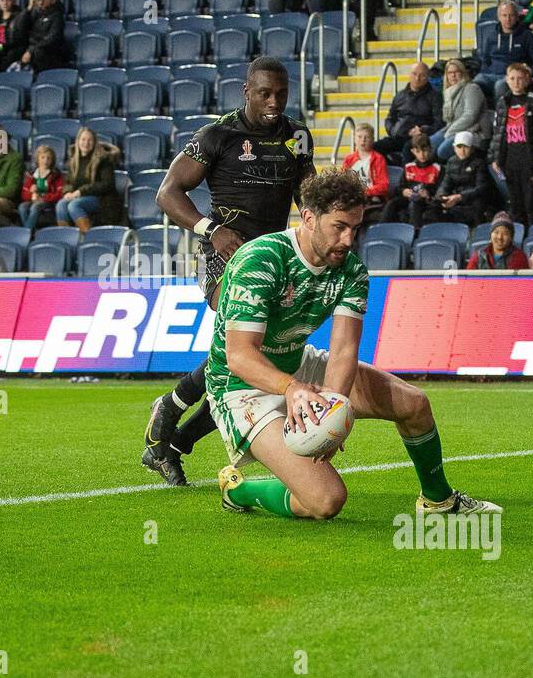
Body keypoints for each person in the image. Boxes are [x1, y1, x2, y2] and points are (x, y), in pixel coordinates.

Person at [212, 168, 501, 520]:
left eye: (356, 228)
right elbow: (239, 356)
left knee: (413, 404)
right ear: (308, 217)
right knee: (325, 501)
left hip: (297, 366)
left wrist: (331, 413)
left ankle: (438, 501)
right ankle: (239, 489)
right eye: (339, 227)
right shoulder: (262, 260)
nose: (349, 240)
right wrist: (292, 389)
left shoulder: (351, 271)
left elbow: (345, 350)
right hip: (240, 388)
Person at [145, 57, 315, 487]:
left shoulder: (297, 136)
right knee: (247, 345)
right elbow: (167, 192)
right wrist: (211, 228)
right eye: (264, 93)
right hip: (225, 256)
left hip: (274, 258)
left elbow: (308, 197)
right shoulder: (216, 135)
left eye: (281, 93)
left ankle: (173, 430)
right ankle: (172, 411)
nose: (274, 101)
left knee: (257, 357)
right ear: (247, 91)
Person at [490, 62, 533, 229]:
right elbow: (497, 132)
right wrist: (495, 158)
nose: (516, 82)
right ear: (506, 80)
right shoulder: (503, 101)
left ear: (527, 79)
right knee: (515, 203)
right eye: (512, 78)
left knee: (532, 201)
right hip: (510, 159)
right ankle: (519, 237)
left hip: (529, 160)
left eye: (520, 78)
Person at [57, 126, 123, 230]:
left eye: (90, 140)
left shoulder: (103, 159)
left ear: (94, 142)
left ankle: (89, 238)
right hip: (79, 196)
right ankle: (68, 237)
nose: (86, 143)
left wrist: (80, 191)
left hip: (102, 199)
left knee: (74, 205)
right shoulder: (73, 161)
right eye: (83, 139)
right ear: (78, 141)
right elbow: (68, 182)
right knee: (61, 205)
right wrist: (67, 192)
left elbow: (107, 184)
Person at [376, 60, 443, 160]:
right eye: (414, 74)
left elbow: (439, 122)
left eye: (422, 75)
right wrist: (395, 131)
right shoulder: (400, 95)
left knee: (409, 149)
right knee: (373, 148)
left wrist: (423, 130)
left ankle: (406, 175)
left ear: (428, 77)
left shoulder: (435, 96)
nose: (417, 78)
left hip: (419, 137)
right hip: (399, 135)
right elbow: (389, 119)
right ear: (409, 75)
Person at [432, 131, 497, 227]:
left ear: (472, 148)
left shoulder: (480, 162)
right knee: (434, 205)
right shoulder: (451, 161)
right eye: (459, 147)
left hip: (474, 198)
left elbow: (481, 188)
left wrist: (460, 197)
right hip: (457, 197)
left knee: (478, 204)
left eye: (465, 147)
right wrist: (442, 196)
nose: (462, 150)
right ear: (454, 148)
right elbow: (445, 184)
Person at [382, 133, 443, 230]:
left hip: (427, 200)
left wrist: (428, 194)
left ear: (430, 149)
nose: (422, 155)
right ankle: (381, 230)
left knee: (415, 203)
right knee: (391, 203)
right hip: (410, 197)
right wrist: (404, 191)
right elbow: (399, 188)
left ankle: (414, 232)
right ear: (413, 151)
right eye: (418, 151)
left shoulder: (437, 168)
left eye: (425, 150)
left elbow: (441, 189)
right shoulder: (409, 167)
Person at [476, 1, 533, 99]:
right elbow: (485, 59)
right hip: (491, 74)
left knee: (500, 86)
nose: (508, 19)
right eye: (504, 15)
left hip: (512, 76)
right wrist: (485, 70)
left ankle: (500, 114)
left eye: (511, 15)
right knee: (475, 83)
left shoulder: (526, 36)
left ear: (517, 17)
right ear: (499, 17)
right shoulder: (492, 36)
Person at [434, 58, 488, 160]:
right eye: (450, 73)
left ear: (463, 73)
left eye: (456, 72)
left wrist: (450, 132)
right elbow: (448, 120)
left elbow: (470, 116)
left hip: (473, 130)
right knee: (430, 144)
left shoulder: (472, 88)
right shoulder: (447, 92)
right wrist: (448, 131)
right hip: (452, 129)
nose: (453, 75)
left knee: (442, 151)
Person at [340, 121, 389, 221]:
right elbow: (341, 181)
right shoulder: (348, 159)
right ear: (354, 139)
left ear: (372, 139)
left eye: (367, 137)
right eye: (359, 137)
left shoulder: (378, 159)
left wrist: (365, 192)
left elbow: (383, 186)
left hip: (371, 198)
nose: (363, 140)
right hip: (351, 197)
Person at [16, 0, 70, 73]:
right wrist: (29, 8)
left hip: (51, 51)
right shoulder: (36, 13)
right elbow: (20, 27)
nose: (41, 0)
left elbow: (52, 38)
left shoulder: (57, 16)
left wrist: (31, 51)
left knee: (38, 52)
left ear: (53, 0)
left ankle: (42, 77)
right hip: (33, 48)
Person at [17, 145, 65, 234]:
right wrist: (31, 195)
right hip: (34, 200)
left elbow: (60, 193)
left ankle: (26, 234)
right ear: (37, 159)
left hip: (48, 202)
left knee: (36, 206)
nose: (45, 160)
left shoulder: (56, 175)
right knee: (22, 207)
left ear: (52, 160)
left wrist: (44, 198)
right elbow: (24, 194)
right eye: (42, 157)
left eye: (48, 158)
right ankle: (31, 231)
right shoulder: (31, 175)